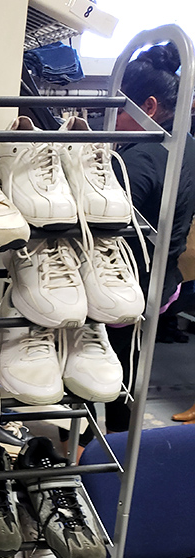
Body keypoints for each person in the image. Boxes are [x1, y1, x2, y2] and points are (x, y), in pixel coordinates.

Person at [105, 42, 195, 432]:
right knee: (131, 366)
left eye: (120, 109)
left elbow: (106, 238)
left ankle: (94, 447)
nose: (115, 118)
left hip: (127, 291)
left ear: (150, 106)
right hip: (165, 284)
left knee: (109, 371)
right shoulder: (189, 148)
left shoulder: (135, 160)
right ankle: (121, 437)